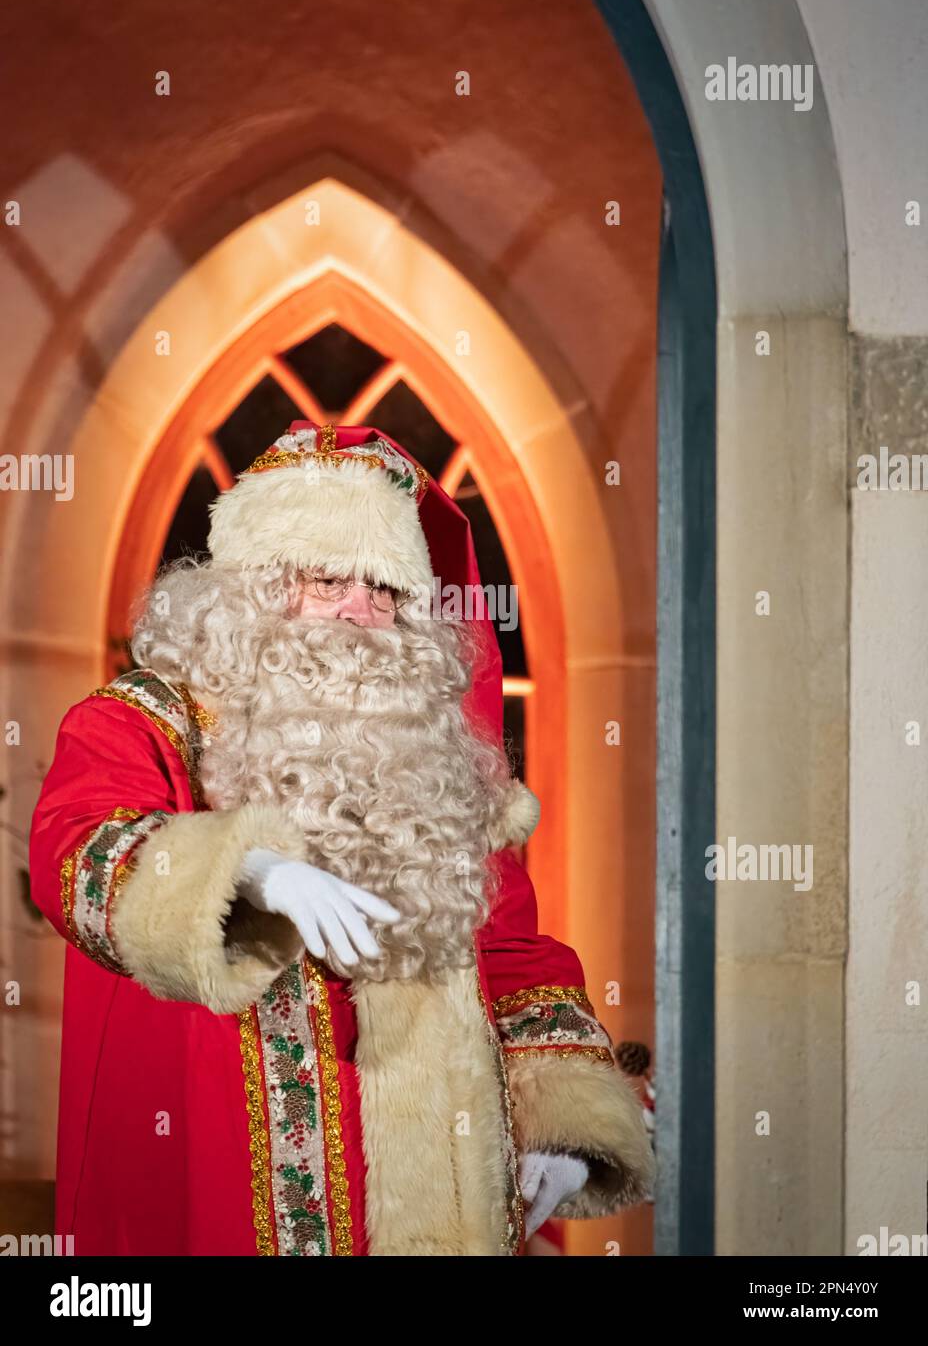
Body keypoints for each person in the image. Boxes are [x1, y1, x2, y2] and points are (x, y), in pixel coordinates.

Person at [29, 419, 654, 1256]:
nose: (361, 614)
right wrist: (245, 874)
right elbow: (74, 853)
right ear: (250, 587)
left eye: (385, 590)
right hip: (213, 1204)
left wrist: (561, 1131)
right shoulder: (143, 724)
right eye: (327, 580)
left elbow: (511, 951)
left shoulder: (442, 767)